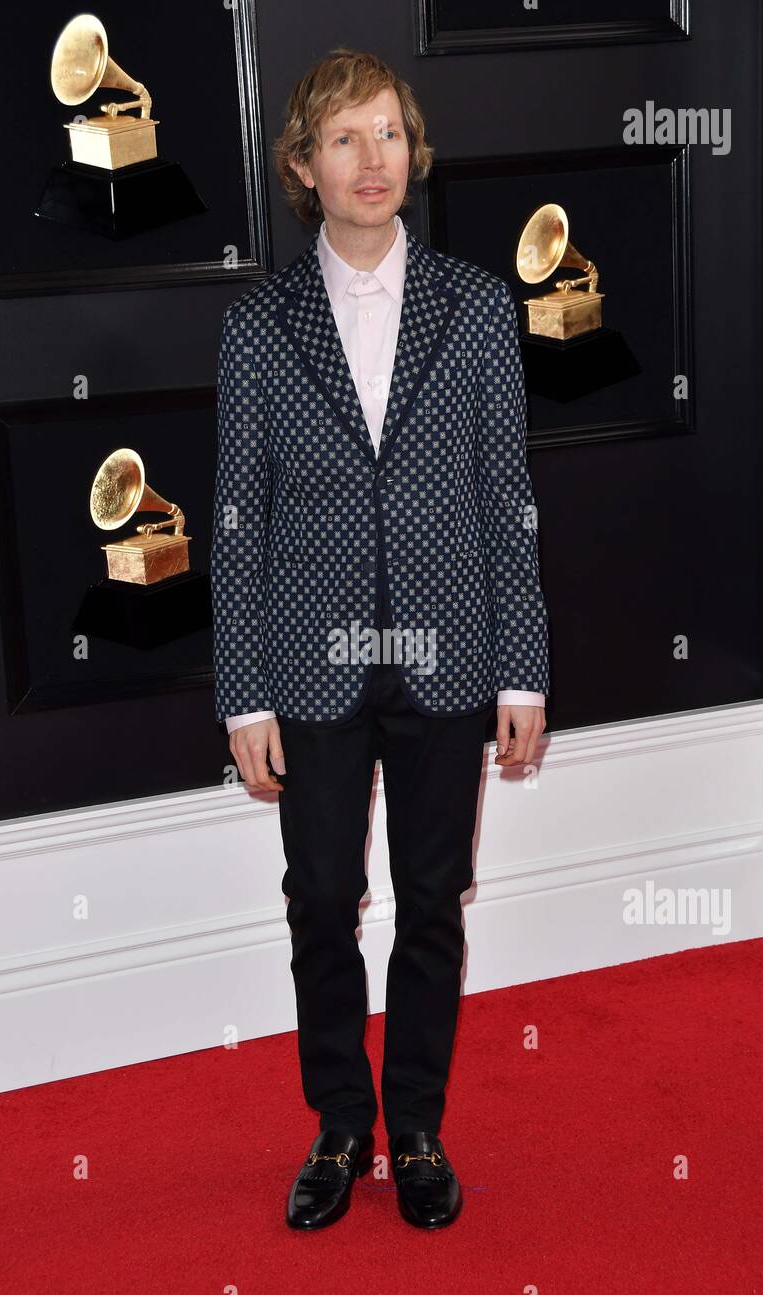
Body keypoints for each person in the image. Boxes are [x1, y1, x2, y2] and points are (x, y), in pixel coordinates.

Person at [211, 47, 549, 1230]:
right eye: (344, 139)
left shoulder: (475, 305)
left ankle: (413, 1128)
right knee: (319, 900)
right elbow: (237, 520)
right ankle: (336, 1125)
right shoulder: (258, 328)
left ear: (413, 151)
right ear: (304, 165)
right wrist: (243, 697)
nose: (372, 160)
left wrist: (521, 668)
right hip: (307, 662)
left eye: (389, 134)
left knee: (433, 896)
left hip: (449, 656)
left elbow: (505, 493)